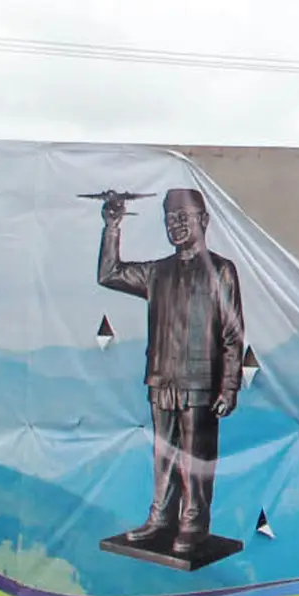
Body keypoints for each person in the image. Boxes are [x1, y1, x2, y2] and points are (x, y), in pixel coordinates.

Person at [97, 187, 243, 562]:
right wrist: (112, 226)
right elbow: (109, 273)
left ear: (203, 221)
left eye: (183, 218)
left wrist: (228, 386)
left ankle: (193, 525)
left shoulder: (221, 270)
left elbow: (232, 334)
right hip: (161, 380)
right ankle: (160, 520)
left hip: (202, 385)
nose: (176, 225)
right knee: (164, 456)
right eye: (170, 219)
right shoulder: (156, 272)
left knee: (196, 458)